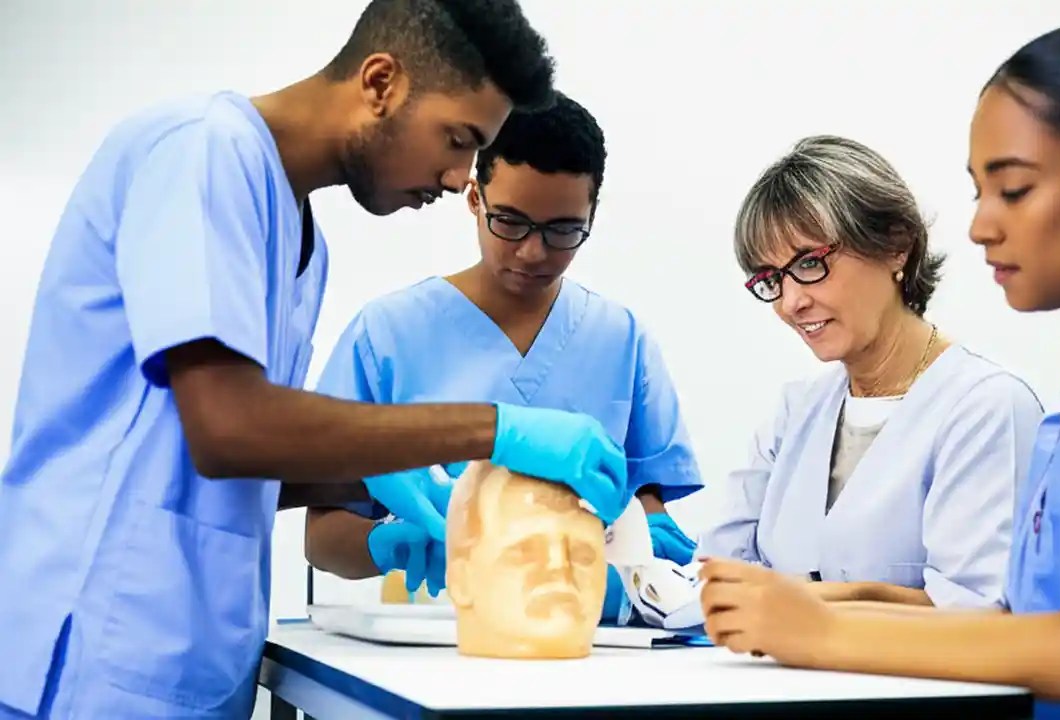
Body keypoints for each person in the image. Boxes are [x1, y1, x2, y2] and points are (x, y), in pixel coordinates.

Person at [0, 3, 634, 719]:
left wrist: (391, 503)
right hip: (91, 652)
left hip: (192, 661)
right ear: (380, 82)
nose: (461, 179)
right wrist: (494, 428)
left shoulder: (302, 241)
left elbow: (202, 464)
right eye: (458, 140)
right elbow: (228, 429)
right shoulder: (201, 152)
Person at [698, 18, 1060, 720]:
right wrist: (832, 602)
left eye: (1015, 189)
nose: (980, 226)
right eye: (978, 192)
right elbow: (1013, 627)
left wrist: (820, 629)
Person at [304, 91, 702, 613]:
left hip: (581, 635)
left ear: (592, 214)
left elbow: (644, 509)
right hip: (431, 639)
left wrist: (651, 548)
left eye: (562, 230)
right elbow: (322, 538)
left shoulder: (620, 339)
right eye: (509, 221)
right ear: (474, 197)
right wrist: (386, 545)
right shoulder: (387, 335)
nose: (532, 251)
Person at [695, 135, 1043, 610]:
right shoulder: (796, 412)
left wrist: (813, 604)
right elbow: (718, 575)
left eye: (811, 264)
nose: (791, 301)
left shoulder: (986, 407)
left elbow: (981, 610)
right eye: (771, 279)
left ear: (896, 245)